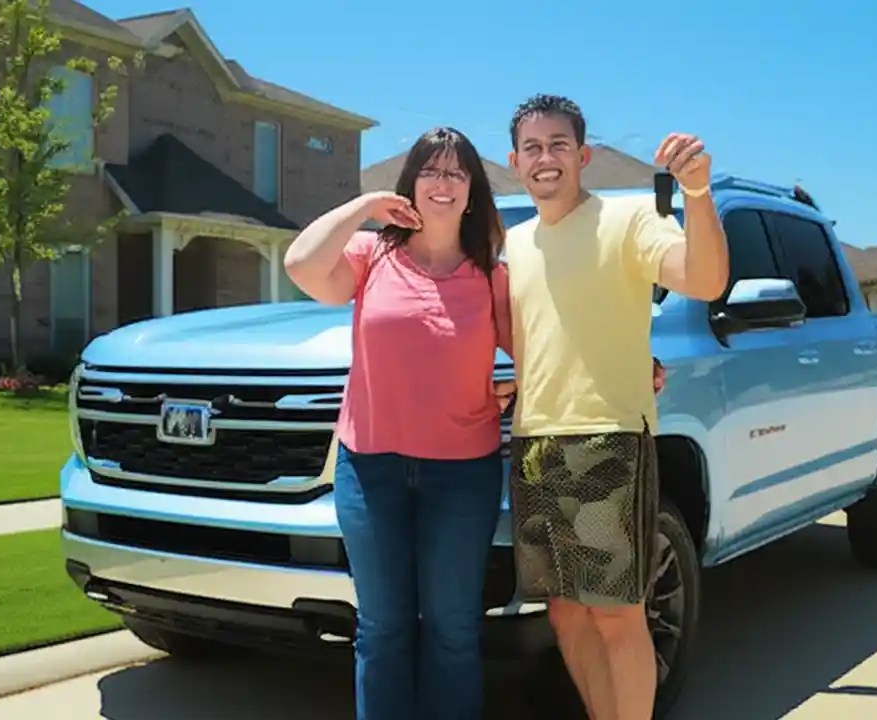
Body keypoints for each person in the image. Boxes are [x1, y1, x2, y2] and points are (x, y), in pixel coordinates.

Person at [503, 94, 730, 720]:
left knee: (616, 612)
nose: (545, 158)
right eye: (532, 147)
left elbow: (706, 280)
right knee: (566, 612)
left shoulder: (628, 219)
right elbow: (521, 333)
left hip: (608, 442)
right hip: (533, 445)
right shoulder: (514, 245)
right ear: (513, 161)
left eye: (558, 145)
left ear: (584, 154)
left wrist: (698, 194)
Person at [283, 127, 513, 720]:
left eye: (456, 173)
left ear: (472, 192)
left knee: (452, 629)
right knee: (382, 628)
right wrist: (364, 205)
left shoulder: (492, 274)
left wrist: (525, 383)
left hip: (463, 475)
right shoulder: (371, 256)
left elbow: (542, 350)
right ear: (410, 183)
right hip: (371, 472)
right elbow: (300, 264)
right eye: (430, 171)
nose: (443, 183)